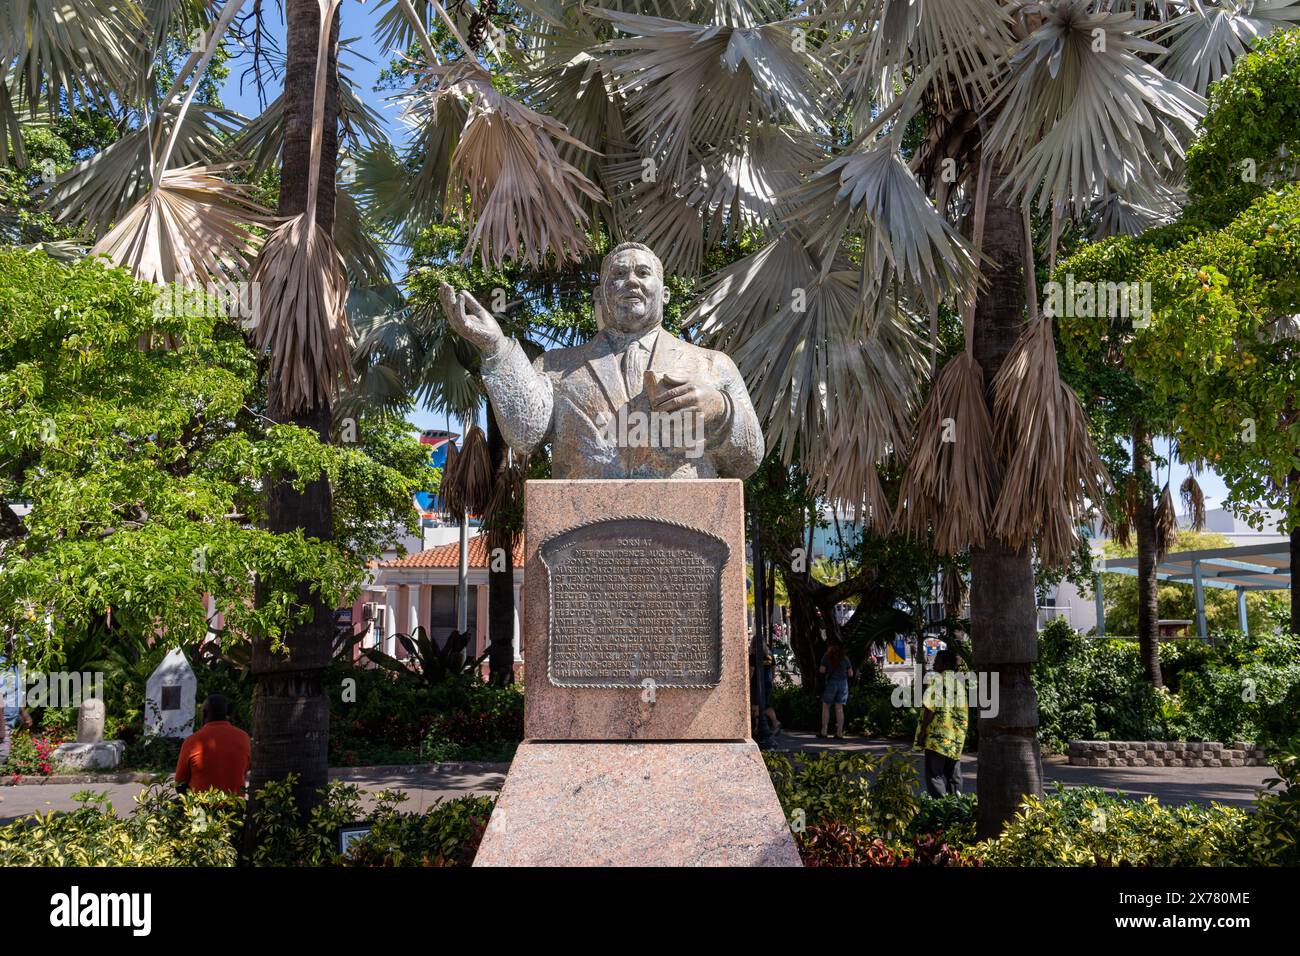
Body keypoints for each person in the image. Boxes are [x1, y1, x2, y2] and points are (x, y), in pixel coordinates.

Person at [439, 242, 764, 480]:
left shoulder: (711, 365)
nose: (631, 281)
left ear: (664, 293)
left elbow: (747, 459)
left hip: (684, 535)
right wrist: (495, 346)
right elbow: (525, 434)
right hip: (584, 532)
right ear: (602, 294)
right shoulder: (558, 367)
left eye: (643, 272)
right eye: (619, 274)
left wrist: (721, 411)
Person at [914, 648, 968, 797]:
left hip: (937, 737)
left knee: (934, 774)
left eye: (937, 661)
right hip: (956, 738)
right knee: (953, 775)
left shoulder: (937, 681)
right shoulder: (959, 682)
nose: (934, 664)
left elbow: (930, 708)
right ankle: (956, 807)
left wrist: (923, 732)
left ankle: (941, 808)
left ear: (944, 664)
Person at [175, 694, 250, 795]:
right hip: (236, 806)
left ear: (205, 714)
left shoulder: (192, 741)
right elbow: (245, 770)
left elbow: (179, 785)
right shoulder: (244, 738)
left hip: (202, 808)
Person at [818, 640, 853, 739]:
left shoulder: (827, 656)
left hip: (831, 683)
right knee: (839, 708)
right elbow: (850, 673)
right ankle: (839, 733)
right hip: (843, 684)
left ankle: (824, 731)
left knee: (826, 707)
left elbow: (822, 670)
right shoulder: (845, 658)